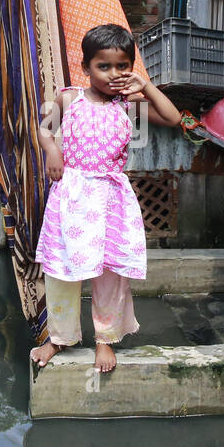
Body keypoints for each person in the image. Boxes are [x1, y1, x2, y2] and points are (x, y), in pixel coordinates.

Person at [30, 24, 182, 372]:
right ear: (85, 67)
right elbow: (43, 127)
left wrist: (146, 85)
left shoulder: (130, 106)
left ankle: (104, 339)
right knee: (63, 273)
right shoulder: (69, 98)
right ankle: (59, 337)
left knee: (110, 274)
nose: (113, 74)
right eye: (103, 66)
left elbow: (174, 118)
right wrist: (52, 149)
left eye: (122, 66)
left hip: (110, 200)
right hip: (71, 198)